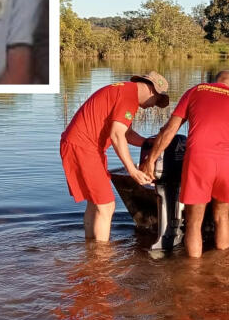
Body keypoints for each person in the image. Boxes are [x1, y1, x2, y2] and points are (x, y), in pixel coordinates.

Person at [141, 70, 229, 258]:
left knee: (193, 222)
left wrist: (151, 160)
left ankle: (194, 272)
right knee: (222, 216)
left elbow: (170, 130)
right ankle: (223, 264)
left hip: (200, 159)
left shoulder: (196, 90)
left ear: (215, 81)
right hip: (228, 163)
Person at [61, 72, 170, 242]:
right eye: (156, 101)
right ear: (152, 91)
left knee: (95, 203)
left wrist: (148, 142)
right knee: (107, 206)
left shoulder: (124, 91)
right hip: (84, 147)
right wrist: (132, 170)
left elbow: (127, 134)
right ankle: (102, 260)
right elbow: (117, 135)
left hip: (82, 146)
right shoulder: (129, 97)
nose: (153, 106)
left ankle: (91, 250)